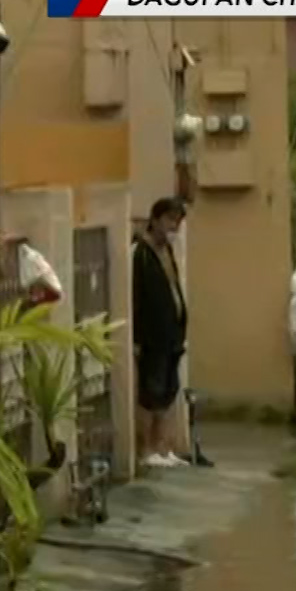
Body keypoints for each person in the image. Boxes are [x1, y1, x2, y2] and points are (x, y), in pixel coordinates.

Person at [132, 197, 189, 468]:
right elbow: (138, 297)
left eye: (177, 221)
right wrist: (138, 338)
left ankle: (163, 448)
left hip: (171, 334)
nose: (173, 227)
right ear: (155, 220)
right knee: (150, 393)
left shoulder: (168, 251)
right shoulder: (141, 254)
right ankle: (146, 449)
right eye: (169, 220)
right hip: (152, 336)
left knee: (168, 392)